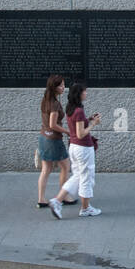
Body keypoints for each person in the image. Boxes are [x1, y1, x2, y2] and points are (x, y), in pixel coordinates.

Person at [36, 74, 73, 215]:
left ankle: (41, 199)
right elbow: (52, 124)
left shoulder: (45, 100)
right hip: (53, 140)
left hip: (43, 137)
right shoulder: (55, 104)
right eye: (60, 85)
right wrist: (67, 132)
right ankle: (64, 196)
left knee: (46, 169)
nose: (63, 87)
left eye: (64, 84)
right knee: (65, 166)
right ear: (54, 87)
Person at [63, 83, 101, 217]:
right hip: (83, 147)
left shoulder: (71, 108)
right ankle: (85, 208)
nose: (86, 93)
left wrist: (88, 119)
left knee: (78, 176)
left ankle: (57, 199)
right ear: (79, 94)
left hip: (74, 146)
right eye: (84, 91)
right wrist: (92, 124)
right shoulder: (79, 111)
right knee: (86, 177)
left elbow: (76, 124)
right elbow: (80, 133)